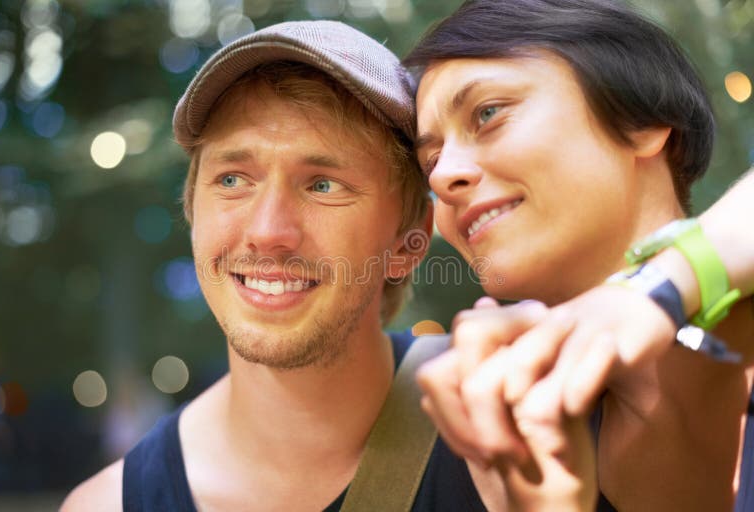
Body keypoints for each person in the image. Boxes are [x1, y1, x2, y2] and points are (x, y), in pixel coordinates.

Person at [62, 19, 583, 512]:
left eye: (322, 185)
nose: (267, 231)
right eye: (232, 179)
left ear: (408, 241)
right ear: (193, 211)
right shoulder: (110, 504)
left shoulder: (524, 430)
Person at [404, 0, 754, 510]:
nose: (440, 176)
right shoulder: (507, 437)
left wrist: (656, 286)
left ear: (642, 121)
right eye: (430, 161)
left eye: (488, 113)